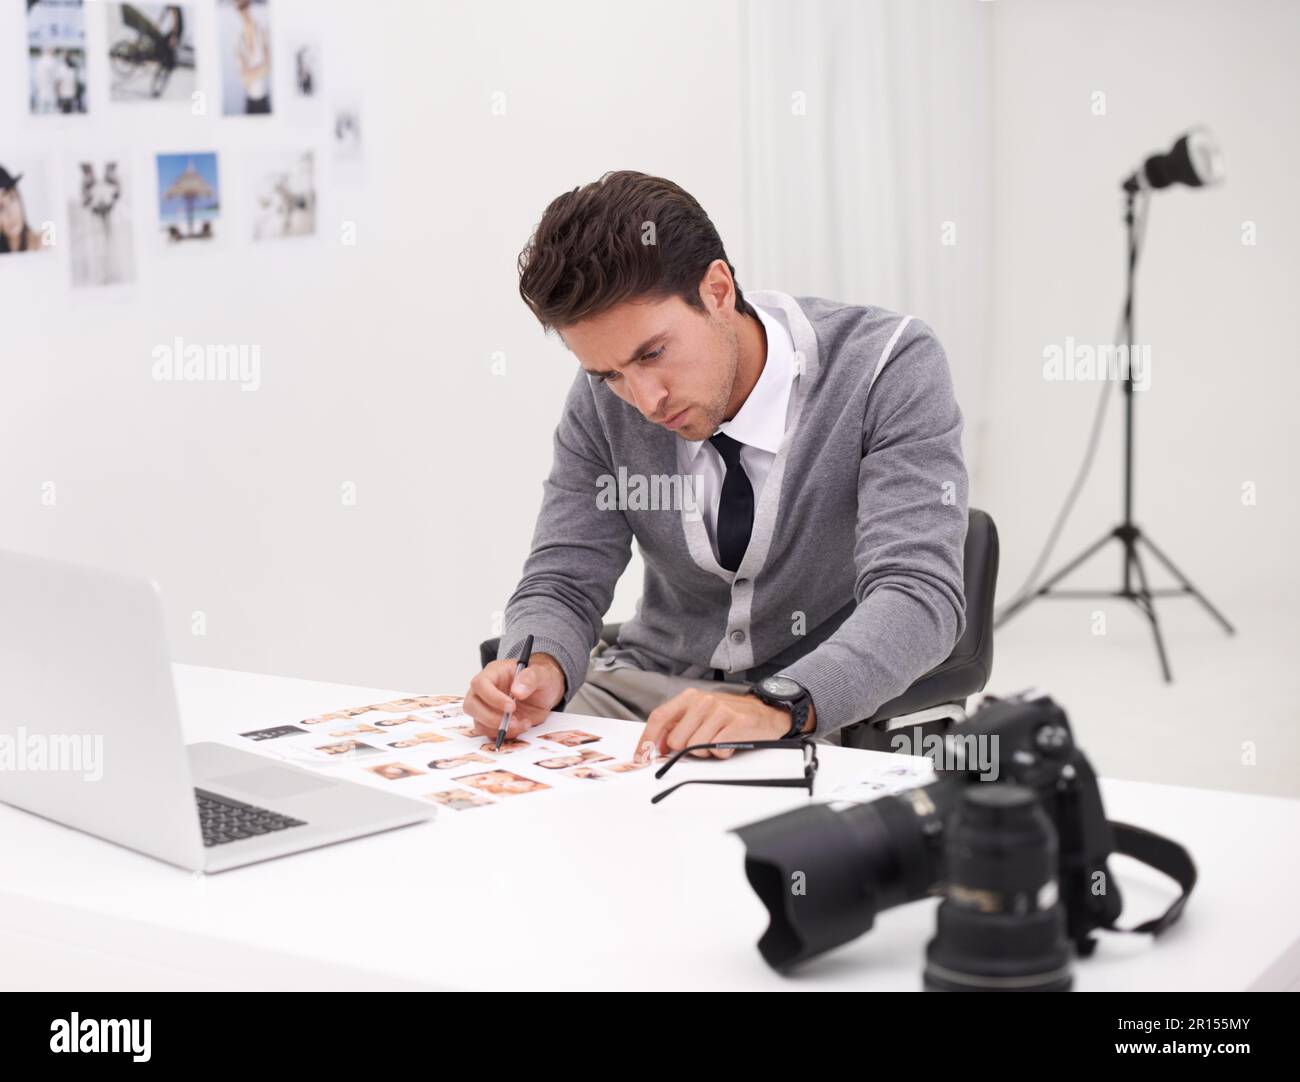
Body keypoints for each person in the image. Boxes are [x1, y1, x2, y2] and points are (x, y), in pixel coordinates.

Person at [461, 171, 969, 763]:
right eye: (612, 374)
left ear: (718, 290)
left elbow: (918, 595)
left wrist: (776, 705)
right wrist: (539, 663)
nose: (645, 399)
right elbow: (565, 577)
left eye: (653, 353)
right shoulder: (603, 396)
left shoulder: (887, 365)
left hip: (816, 706)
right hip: (645, 694)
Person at [233, 0, 271, 114]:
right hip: (249, 102)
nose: (244, 11)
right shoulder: (238, 39)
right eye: (240, 8)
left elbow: (268, 68)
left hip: (265, 99)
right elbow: (244, 79)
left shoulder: (262, 31)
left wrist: (251, 73)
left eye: (246, 5)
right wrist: (260, 70)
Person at [0, 166, 48, 254]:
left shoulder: (44, 243)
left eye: (12, 198)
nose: (10, 214)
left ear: (19, 199)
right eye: (1, 208)